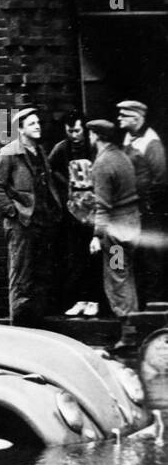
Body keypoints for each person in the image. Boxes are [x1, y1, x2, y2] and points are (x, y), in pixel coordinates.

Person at [0, 106, 64, 327]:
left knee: (41, 276)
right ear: (20, 129)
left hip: (42, 223)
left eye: (38, 122)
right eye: (31, 123)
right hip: (21, 225)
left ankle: (36, 325)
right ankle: (20, 327)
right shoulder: (8, 153)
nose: (37, 126)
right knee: (21, 278)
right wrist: (14, 212)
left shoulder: (40, 152)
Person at [87, 119, 140, 342]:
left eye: (91, 135)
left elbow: (102, 205)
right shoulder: (122, 157)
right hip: (132, 224)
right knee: (125, 274)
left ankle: (129, 334)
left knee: (117, 276)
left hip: (116, 233)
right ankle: (132, 328)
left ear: (97, 136)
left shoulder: (103, 163)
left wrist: (97, 235)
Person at [48, 111, 100, 316]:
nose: (74, 135)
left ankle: (100, 301)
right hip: (75, 213)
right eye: (70, 131)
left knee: (109, 258)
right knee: (77, 258)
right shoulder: (61, 149)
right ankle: (82, 299)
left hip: (99, 214)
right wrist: (64, 186)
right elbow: (50, 169)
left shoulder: (95, 148)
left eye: (77, 130)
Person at [117, 99, 168, 305]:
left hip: (145, 213)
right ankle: (130, 301)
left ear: (136, 118)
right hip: (128, 212)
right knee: (123, 256)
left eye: (124, 115)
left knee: (150, 257)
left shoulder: (151, 143)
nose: (119, 118)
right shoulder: (127, 139)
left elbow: (160, 180)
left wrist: (146, 207)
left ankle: (153, 302)